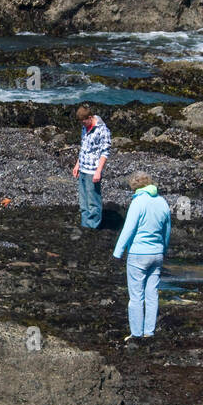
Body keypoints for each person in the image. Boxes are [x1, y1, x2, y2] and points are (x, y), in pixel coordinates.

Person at [113, 172, 171, 344]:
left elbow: (128, 229)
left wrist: (118, 251)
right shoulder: (162, 201)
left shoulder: (138, 202)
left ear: (134, 186)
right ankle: (149, 332)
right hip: (157, 254)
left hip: (138, 254)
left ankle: (136, 333)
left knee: (136, 296)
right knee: (152, 294)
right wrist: (164, 249)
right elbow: (167, 230)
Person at [71, 104, 110, 231]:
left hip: (93, 170)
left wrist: (98, 171)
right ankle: (85, 226)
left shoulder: (102, 130)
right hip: (83, 168)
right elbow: (84, 148)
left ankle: (93, 228)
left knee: (93, 202)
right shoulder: (85, 128)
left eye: (84, 122)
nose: (83, 125)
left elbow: (105, 152)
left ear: (90, 117)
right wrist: (77, 165)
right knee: (83, 202)